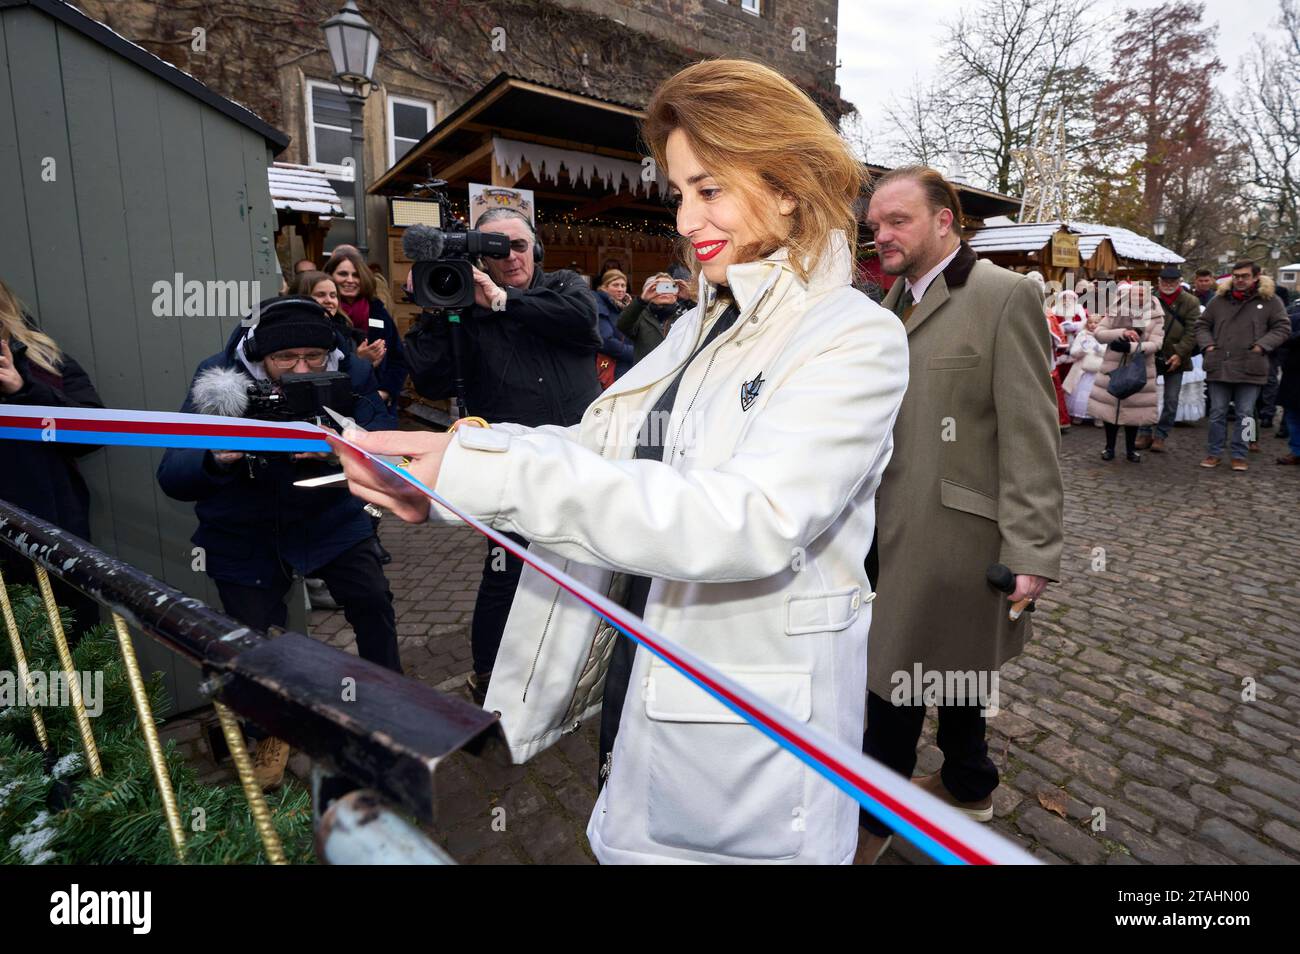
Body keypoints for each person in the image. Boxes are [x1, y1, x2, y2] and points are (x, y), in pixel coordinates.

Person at [339, 59, 907, 865]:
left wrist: (485, 475)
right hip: (643, 670)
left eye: (708, 189)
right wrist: (454, 459)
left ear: (788, 185)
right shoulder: (699, 326)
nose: (684, 218)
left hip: (748, 722)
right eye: (679, 192)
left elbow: (748, 520)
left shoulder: (853, 335)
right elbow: (603, 445)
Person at [861, 166, 1063, 865]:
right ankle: (969, 781)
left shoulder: (1004, 296)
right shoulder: (887, 304)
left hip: (956, 538)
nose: (880, 233)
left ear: (946, 221)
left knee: (889, 682)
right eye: (876, 223)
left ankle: (870, 823)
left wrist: (1034, 551)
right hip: (885, 527)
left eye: (897, 221)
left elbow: (1033, 432)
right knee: (953, 670)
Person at [157, 297, 401, 788]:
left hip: (328, 516)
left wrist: (347, 440)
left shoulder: (349, 371)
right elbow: (172, 474)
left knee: (372, 600)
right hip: (243, 526)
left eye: (313, 357)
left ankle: (390, 711)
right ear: (259, 354)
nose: (301, 369)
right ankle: (266, 732)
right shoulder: (218, 378)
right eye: (286, 359)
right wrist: (216, 457)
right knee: (249, 636)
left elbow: (388, 439)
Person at [404, 206, 602, 704]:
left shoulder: (564, 287)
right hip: (510, 467)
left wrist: (504, 301)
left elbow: (582, 324)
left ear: (534, 247)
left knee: (588, 560)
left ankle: (578, 668)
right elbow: (427, 379)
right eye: (494, 248)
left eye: (517, 244)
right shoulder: (463, 309)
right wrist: (437, 306)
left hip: (580, 457)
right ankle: (490, 683)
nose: (510, 256)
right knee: (505, 575)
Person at [0, 279, 105, 640]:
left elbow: (93, 431)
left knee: (75, 651)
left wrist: (24, 389)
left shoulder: (39, 355)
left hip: (54, 532)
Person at [1194, 260, 1291, 471]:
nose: (1239, 280)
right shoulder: (1218, 300)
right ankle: (1214, 452)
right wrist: (1208, 345)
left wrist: (1262, 346)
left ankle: (1240, 453)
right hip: (1220, 364)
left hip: (1251, 365)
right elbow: (1202, 325)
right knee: (1217, 412)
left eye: (1244, 276)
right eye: (1236, 276)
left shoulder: (1270, 301)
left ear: (1256, 277)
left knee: (1246, 414)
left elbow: (1282, 328)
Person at [323, 248, 409, 412]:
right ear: (330, 276)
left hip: (377, 405)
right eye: (343, 274)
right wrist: (358, 361)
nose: (350, 280)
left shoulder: (377, 311)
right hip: (338, 406)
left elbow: (398, 359)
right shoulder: (325, 314)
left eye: (356, 275)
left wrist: (385, 392)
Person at [1087, 282, 1164, 462]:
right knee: (1111, 408)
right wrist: (1121, 333)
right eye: (1134, 294)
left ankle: (1130, 450)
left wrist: (1131, 346)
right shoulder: (1116, 309)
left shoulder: (1156, 314)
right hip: (1114, 365)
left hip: (1140, 366)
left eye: (1141, 295)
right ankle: (1109, 447)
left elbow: (1157, 343)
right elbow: (1099, 333)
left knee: (1134, 411)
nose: (1137, 298)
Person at [1137, 265, 1202, 452]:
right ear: (1159, 281)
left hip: (1176, 356)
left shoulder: (1190, 301)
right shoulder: (1149, 299)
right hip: (1151, 353)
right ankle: (1144, 432)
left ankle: (1161, 435)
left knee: (1171, 399)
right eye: (1164, 281)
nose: (1168, 285)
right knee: (1145, 397)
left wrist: (1180, 353)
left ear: (1179, 282)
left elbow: (1192, 331)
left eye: (1172, 282)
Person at [618, 272, 694, 363]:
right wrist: (642, 300)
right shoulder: (640, 316)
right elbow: (622, 325)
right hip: (647, 373)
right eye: (659, 288)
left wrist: (689, 299)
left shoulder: (686, 316)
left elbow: (704, 324)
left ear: (676, 293)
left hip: (677, 372)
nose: (664, 292)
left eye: (669, 287)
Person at [594, 269, 635, 385]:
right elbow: (606, 341)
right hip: (612, 367)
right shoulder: (600, 306)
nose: (620, 289)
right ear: (605, 287)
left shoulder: (626, 307)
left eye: (623, 285)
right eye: (615, 285)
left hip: (626, 367)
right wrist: (635, 353)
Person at [1274, 307, 1300, 464]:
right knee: (1293, 415)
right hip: (1295, 374)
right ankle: (1297, 451)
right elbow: (1283, 339)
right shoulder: (1294, 318)